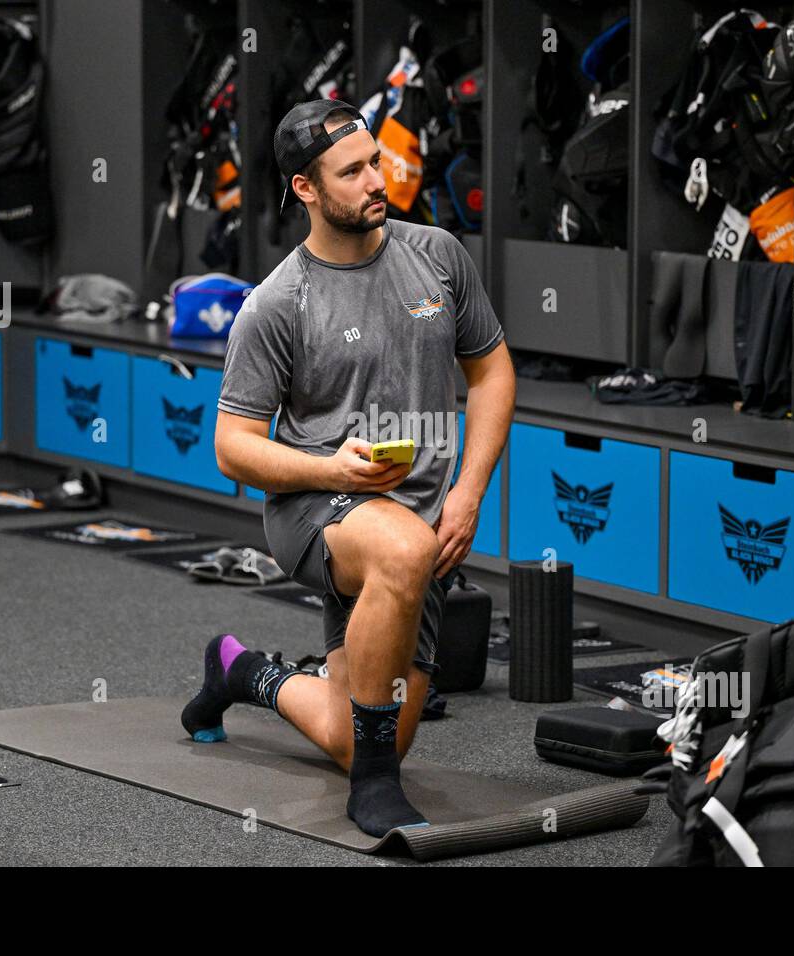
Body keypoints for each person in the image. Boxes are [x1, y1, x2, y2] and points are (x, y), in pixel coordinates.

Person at [181, 99, 515, 837]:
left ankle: (242, 672)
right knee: (401, 553)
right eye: (353, 170)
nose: (378, 179)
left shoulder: (437, 256)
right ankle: (376, 786)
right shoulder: (276, 304)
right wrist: (331, 469)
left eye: (375, 161)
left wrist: (467, 493)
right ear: (306, 188)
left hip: (419, 520)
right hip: (314, 505)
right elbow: (233, 446)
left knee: (367, 725)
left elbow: (492, 374)